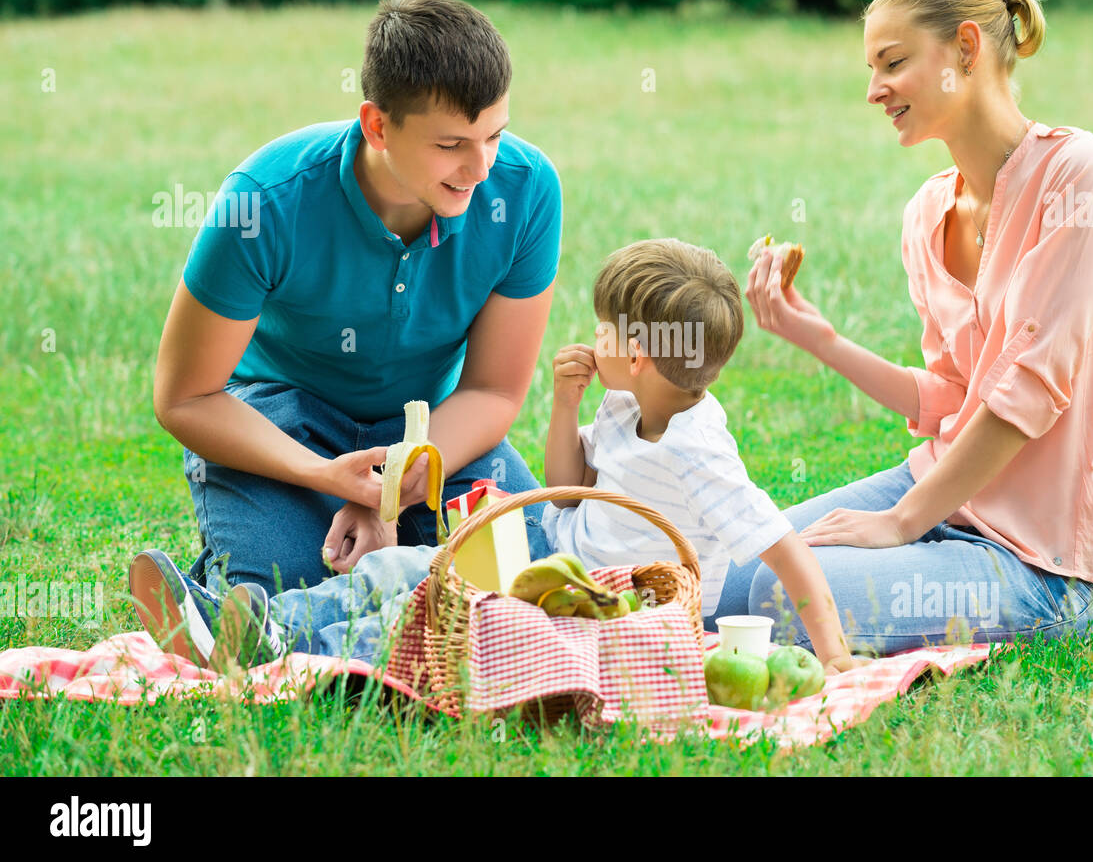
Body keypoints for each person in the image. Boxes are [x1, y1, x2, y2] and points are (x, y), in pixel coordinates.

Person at [131, 241, 857, 674]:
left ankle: (279, 647)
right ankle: (253, 623)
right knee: (407, 569)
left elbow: (786, 550)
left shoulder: (702, 453)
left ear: (636, 355)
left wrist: (835, 662)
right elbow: (568, 491)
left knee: (425, 599)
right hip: (555, 551)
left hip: (603, 606)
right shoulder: (630, 403)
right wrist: (568, 403)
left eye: (605, 329)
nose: (593, 336)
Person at [719, 0, 1093, 655]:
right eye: (870, 68)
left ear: (964, 48)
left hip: (1045, 564)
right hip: (942, 490)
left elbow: (1030, 390)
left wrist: (900, 521)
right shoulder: (927, 211)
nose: (873, 90)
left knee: (780, 599)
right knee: (736, 569)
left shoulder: (1085, 178)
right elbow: (953, 394)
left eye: (892, 63)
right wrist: (822, 338)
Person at [151, 0, 561, 597]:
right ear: (377, 125)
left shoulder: (526, 191)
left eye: (495, 136)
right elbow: (185, 397)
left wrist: (390, 487)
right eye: (450, 145)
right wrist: (328, 477)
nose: (480, 169)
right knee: (281, 588)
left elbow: (492, 390)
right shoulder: (261, 201)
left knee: (530, 577)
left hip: (431, 433)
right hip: (278, 420)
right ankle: (222, 592)